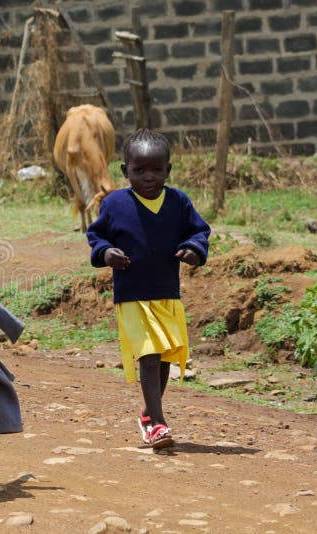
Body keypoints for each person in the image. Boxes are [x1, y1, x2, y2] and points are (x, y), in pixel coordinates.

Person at [86, 129, 210, 449]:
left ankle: (147, 414)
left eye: (156, 169)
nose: (148, 177)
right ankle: (157, 422)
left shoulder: (178, 201)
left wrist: (195, 250)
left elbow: (198, 231)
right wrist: (105, 253)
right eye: (139, 170)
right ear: (125, 170)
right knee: (150, 355)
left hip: (167, 292)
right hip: (132, 294)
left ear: (169, 169)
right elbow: (98, 236)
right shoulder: (114, 203)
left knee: (165, 354)